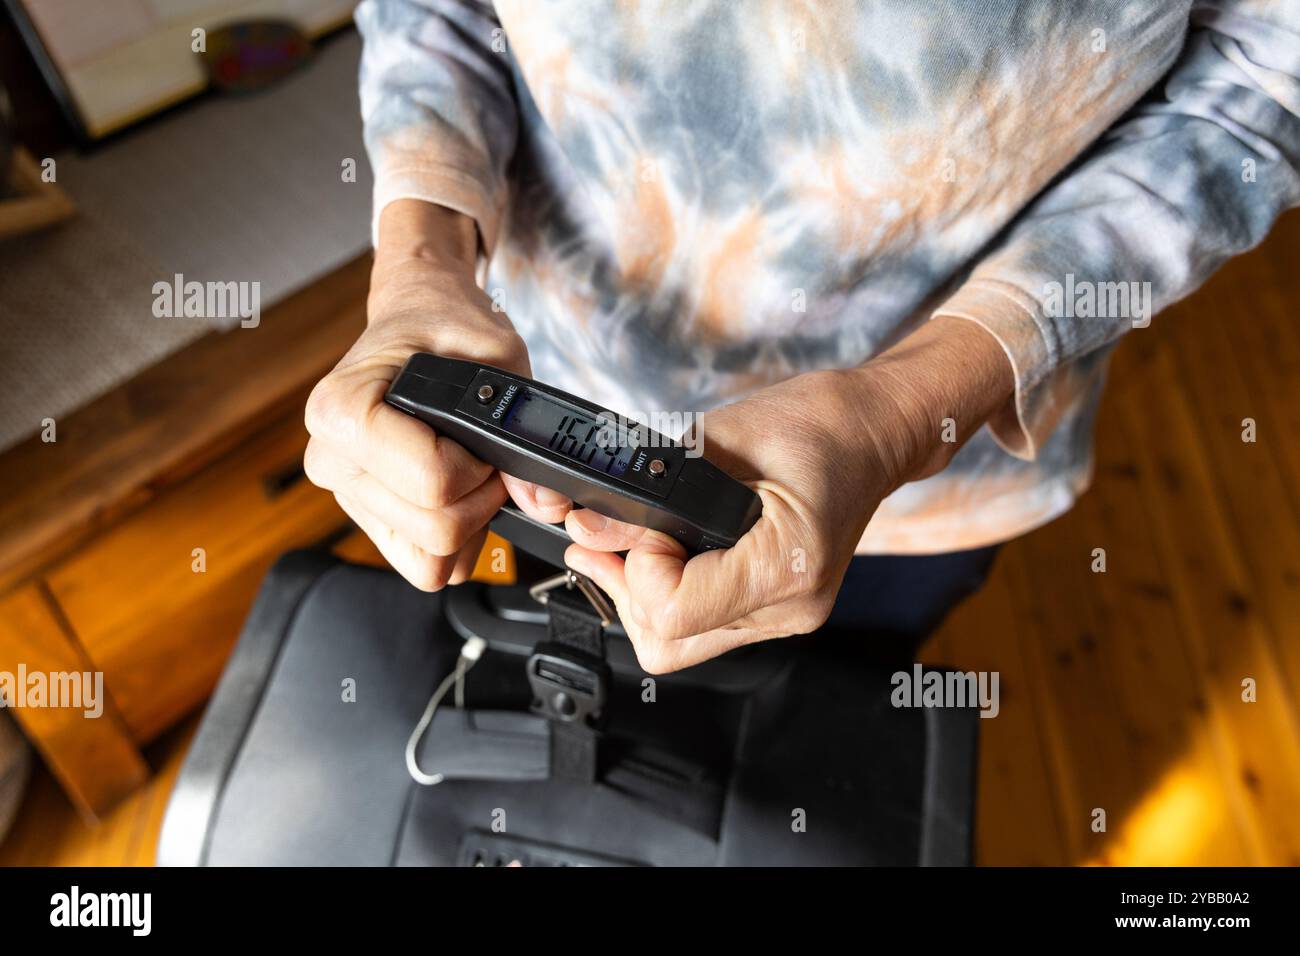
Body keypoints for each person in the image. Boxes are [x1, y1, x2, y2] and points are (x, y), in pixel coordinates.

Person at [304, 0, 1300, 673]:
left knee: (817, 740)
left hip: (915, 465)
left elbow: (1258, 97)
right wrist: (420, 267)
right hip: (549, 419)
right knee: (580, 681)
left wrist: (904, 413)